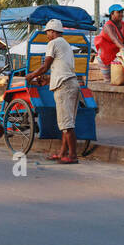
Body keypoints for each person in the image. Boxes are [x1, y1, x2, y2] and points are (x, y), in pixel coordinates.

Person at [26, 18, 82, 163]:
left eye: (48, 32)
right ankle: (63, 152)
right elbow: (60, 68)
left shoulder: (54, 43)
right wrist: (47, 79)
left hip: (64, 87)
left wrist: (31, 75)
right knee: (66, 123)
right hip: (71, 84)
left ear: (53, 31)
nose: (47, 35)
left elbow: (45, 66)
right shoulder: (66, 45)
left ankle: (72, 156)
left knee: (66, 124)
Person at [96, 4, 124, 70]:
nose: (121, 14)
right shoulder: (108, 26)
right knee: (108, 79)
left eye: (122, 12)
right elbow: (115, 40)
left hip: (116, 54)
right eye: (118, 12)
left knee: (119, 77)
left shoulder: (123, 24)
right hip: (105, 54)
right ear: (112, 13)